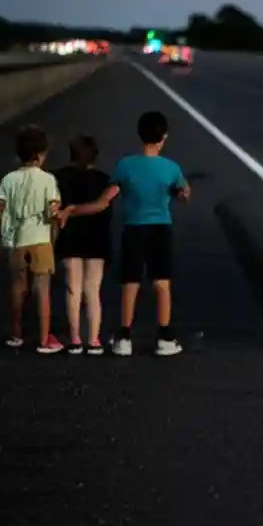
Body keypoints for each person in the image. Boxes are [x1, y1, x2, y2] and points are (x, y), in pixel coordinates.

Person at [60, 111, 190, 357]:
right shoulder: (171, 168)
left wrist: (74, 209)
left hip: (133, 229)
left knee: (130, 282)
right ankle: (164, 337)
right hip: (160, 228)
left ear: (140, 135)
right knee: (162, 282)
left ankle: (124, 337)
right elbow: (183, 190)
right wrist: (181, 192)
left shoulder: (125, 166)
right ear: (164, 137)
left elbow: (103, 202)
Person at [0, 124, 64, 354]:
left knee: (18, 287)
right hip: (40, 239)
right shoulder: (48, 179)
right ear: (40, 155)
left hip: (17, 241)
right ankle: (43, 338)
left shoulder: (8, 179)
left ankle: (17, 333)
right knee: (42, 289)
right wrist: (55, 236)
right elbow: (53, 212)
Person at [53, 135, 112, 355]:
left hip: (70, 237)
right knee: (93, 289)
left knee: (72, 288)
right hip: (96, 238)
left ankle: (75, 338)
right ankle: (94, 339)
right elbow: (106, 210)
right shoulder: (104, 180)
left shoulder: (59, 177)